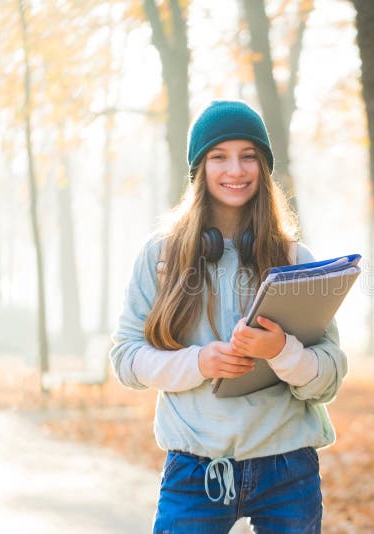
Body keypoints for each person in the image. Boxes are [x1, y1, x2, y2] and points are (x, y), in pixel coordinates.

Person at [109, 100, 347, 534]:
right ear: (200, 169)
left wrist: (281, 352)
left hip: (288, 468)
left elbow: (329, 376)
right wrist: (199, 363)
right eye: (219, 156)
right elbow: (125, 358)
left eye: (248, 156)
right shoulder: (160, 256)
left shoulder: (296, 259)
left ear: (264, 167)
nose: (235, 170)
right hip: (195, 470)